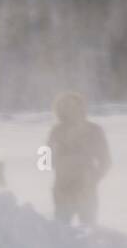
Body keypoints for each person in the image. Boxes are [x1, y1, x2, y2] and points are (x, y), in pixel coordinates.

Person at [47, 92, 111, 227]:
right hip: (62, 190)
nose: (70, 111)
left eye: (73, 107)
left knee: (89, 231)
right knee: (61, 231)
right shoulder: (56, 131)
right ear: (59, 110)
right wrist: (58, 159)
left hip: (86, 189)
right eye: (65, 107)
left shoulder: (94, 130)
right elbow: (44, 162)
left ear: (81, 108)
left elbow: (106, 161)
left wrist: (94, 179)